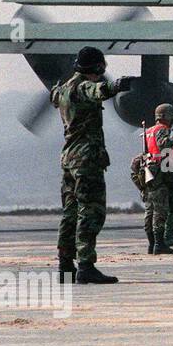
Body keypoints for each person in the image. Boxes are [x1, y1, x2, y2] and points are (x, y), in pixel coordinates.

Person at [50, 47, 132, 284]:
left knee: (70, 212)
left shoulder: (63, 90)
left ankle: (65, 266)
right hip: (86, 159)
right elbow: (97, 91)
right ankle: (86, 265)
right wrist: (116, 86)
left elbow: (53, 95)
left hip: (68, 159)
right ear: (97, 68)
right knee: (91, 211)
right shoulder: (82, 86)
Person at [142, 103, 173, 256]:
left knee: (151, 209)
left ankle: (153, 244)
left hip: (152, 172)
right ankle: (161, 242)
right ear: (167, 116)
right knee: (162, 209)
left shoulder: (149, 131)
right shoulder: (162, 130)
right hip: (162, 172)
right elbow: (163, 145)